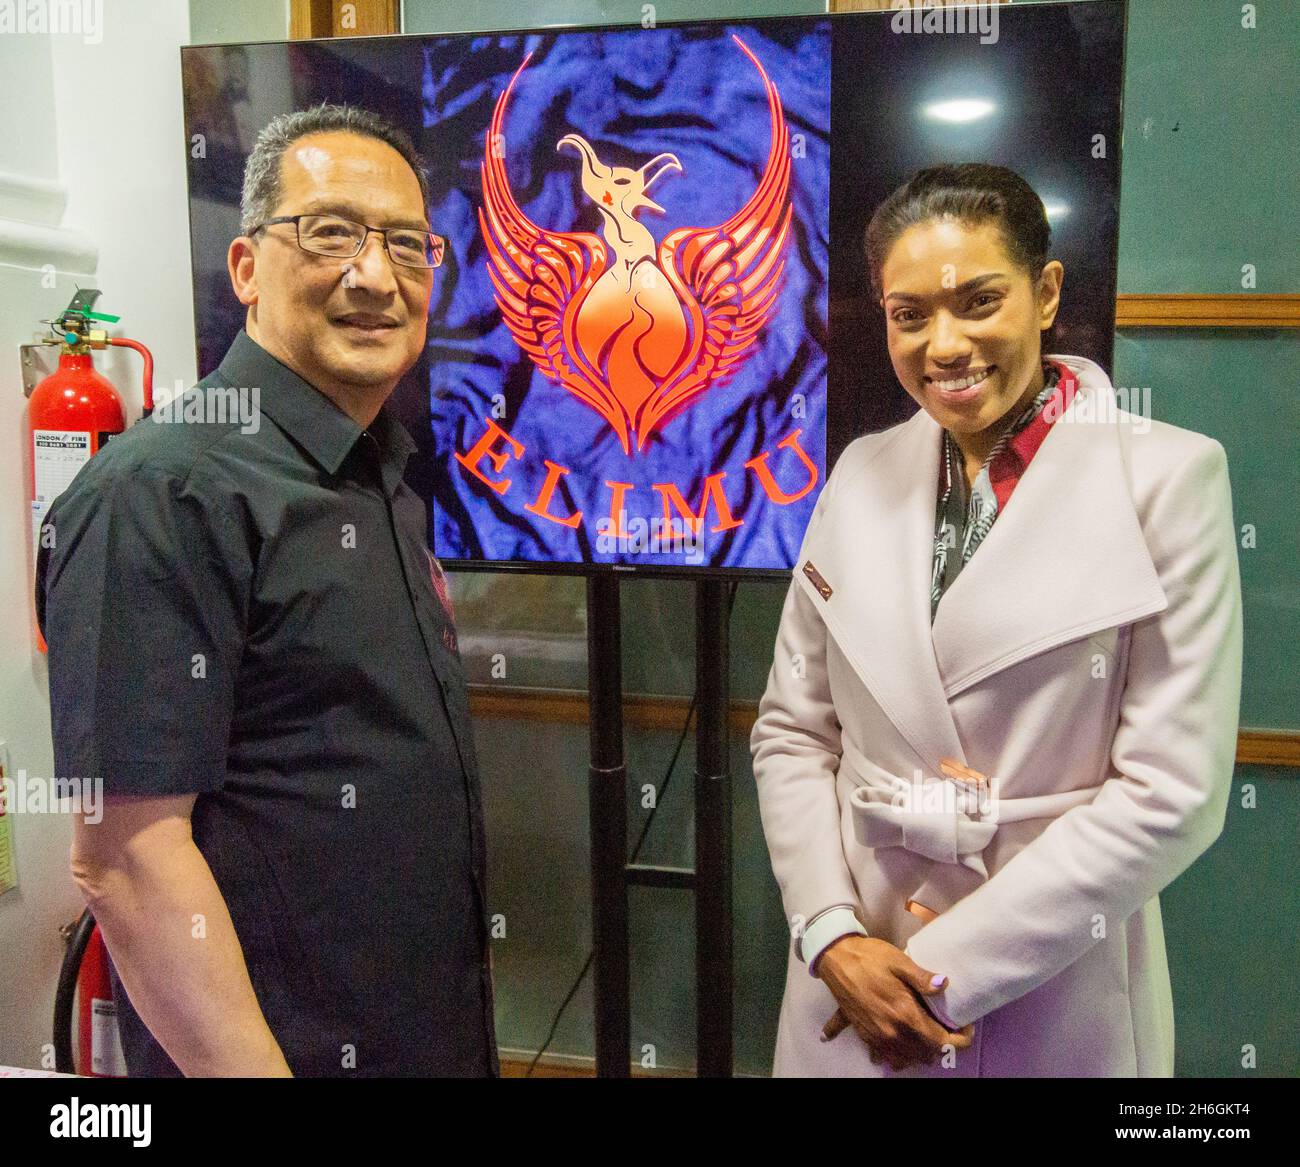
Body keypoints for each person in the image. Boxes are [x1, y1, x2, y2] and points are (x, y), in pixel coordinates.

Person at [750, 163, 1242, 1077]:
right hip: (849, 970)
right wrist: (829, 931)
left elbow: (1174, 790)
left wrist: (941, 975)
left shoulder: (1168, 479)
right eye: (910, 315)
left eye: (979, 301)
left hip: (1043, 981)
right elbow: (790, 730)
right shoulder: (859, 472)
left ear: (1046, 292)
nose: (945, 345)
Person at [37, 104, 498, 1077]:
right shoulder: (159, 492)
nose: (375, 275)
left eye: (407, 246)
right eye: (330, 232)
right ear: (246, 268)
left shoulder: (381, 475)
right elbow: (123, 861)